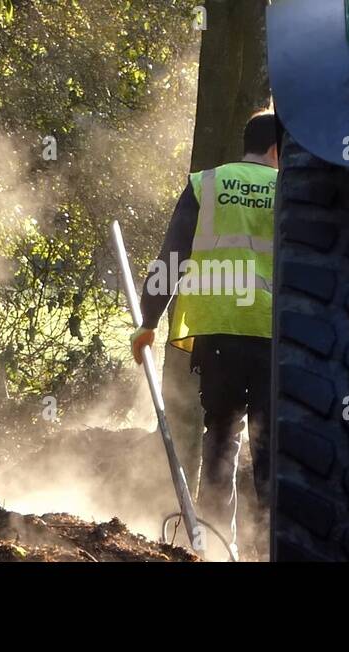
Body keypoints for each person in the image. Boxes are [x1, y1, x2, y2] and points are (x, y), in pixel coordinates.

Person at [131, 110, 278, 546]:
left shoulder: (206, 184)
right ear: (277, 150)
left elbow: (170, 257)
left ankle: (215, 547)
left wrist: (149, 320)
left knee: (221, 439)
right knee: (271, 446)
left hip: (219, 334)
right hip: (275, 336)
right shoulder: (291, 189)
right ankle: (276, 546)